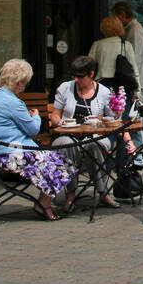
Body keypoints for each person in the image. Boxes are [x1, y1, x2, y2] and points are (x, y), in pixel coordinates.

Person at [0, 58, 77, 220]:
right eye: (25, 83)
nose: (24, 87)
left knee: (57, 161)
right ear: (19, 83)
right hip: (11, 154)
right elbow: (32, 129)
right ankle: (44, 205)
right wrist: (37, 116)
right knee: (62, 165)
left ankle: (43, 203)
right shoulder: (12, 102)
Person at [48, 56, 124, 210]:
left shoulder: (103, 92)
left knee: (93, 146)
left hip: (96, 134)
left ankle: (103, 191)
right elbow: (55, 115)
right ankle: (71, 193)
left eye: (80, 77)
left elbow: (112, 118)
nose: (76, 80)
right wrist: (61, 122)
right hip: (68, 134)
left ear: (91, 74)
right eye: (74, 76)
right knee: (66, 144)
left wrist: (103, 118)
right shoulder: (65, 88)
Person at [89, 16, 139, 104]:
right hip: (123, 83)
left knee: (103, 112)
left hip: (102, 82)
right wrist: (137, 92)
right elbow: (134, 70)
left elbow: (88, 66)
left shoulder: (97, 45)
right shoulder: (126, 45)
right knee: (122, 112)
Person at [111, 2, 143, 92]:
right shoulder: (130, 29)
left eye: (115, 17)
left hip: (137, 82)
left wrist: (133, 81)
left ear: (122, 15)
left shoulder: (135, 31)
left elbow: (135, 58)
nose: (115, 21)